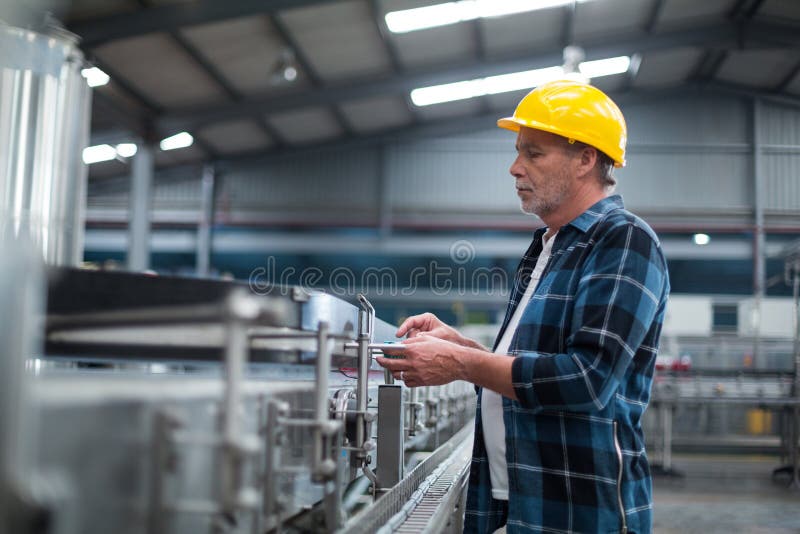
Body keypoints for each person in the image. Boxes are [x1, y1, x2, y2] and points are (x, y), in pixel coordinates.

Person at [377, 80, 670, 533]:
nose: (515, 168)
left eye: (534, 154)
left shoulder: (622, 239)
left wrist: (461, 363)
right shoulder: (549, 247)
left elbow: (587, 380)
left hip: (577, 510)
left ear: (585, 159)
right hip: (517, 499)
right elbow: (532, 366)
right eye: (518, 153)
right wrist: (462, 347)